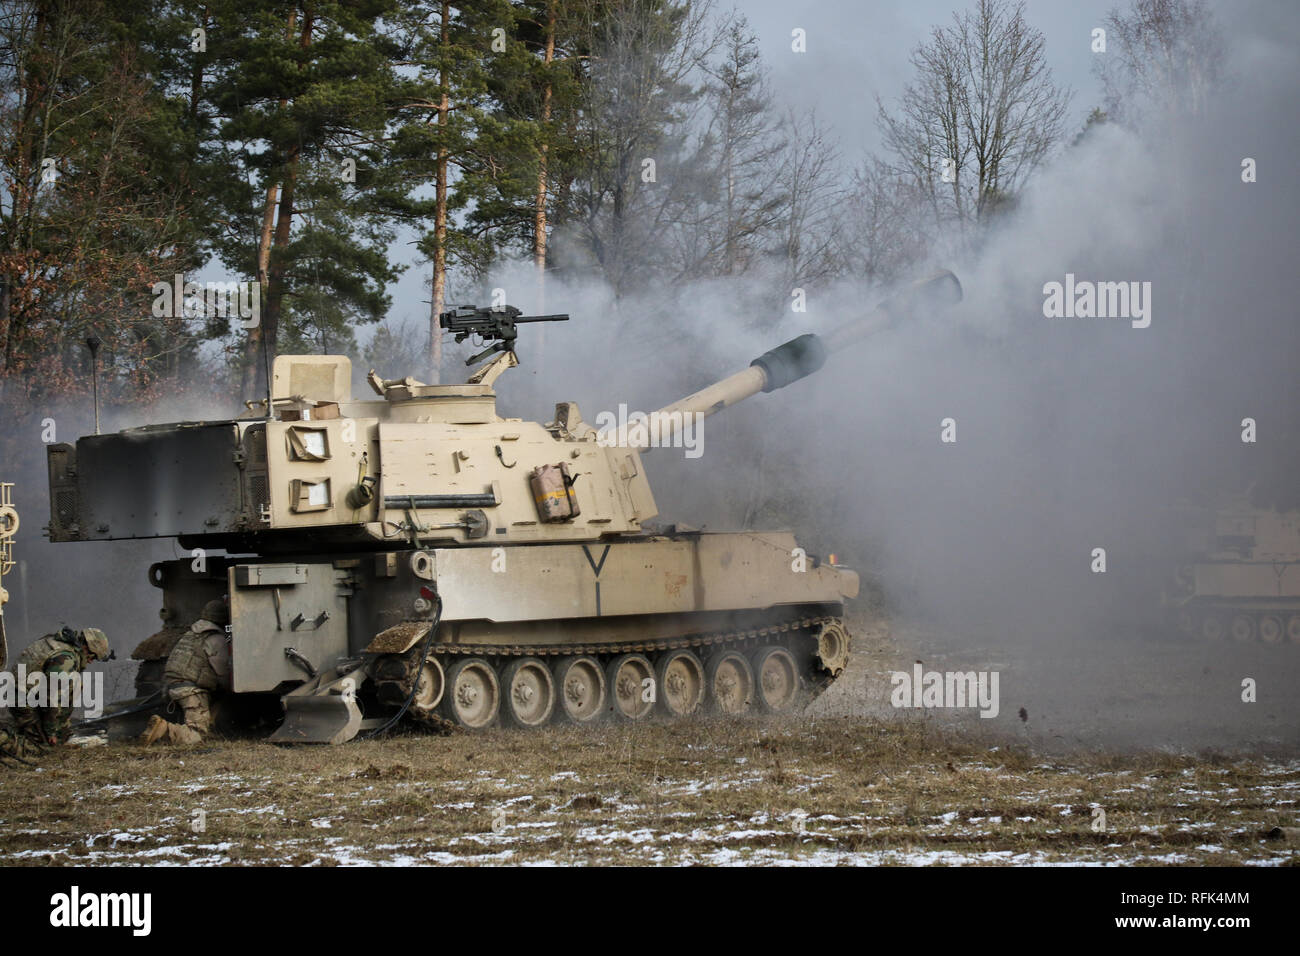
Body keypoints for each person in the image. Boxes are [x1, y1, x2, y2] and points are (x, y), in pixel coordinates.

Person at [141, 598, 231, 746]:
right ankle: (163, 729)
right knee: (197, 734)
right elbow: (224, 676)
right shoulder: (216, 639)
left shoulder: (192, 634)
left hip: (171, 686)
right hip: (190, 691)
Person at [8, 627, 111, 747]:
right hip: (22, 700)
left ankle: (29, 728)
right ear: (86, 648)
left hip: (23, 693)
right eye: (92, 656)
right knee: (42, 747)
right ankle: (6, 742)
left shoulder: (59, 642)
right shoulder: (66, 660)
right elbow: (51, 698)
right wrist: (51, 731)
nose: (91, 661)